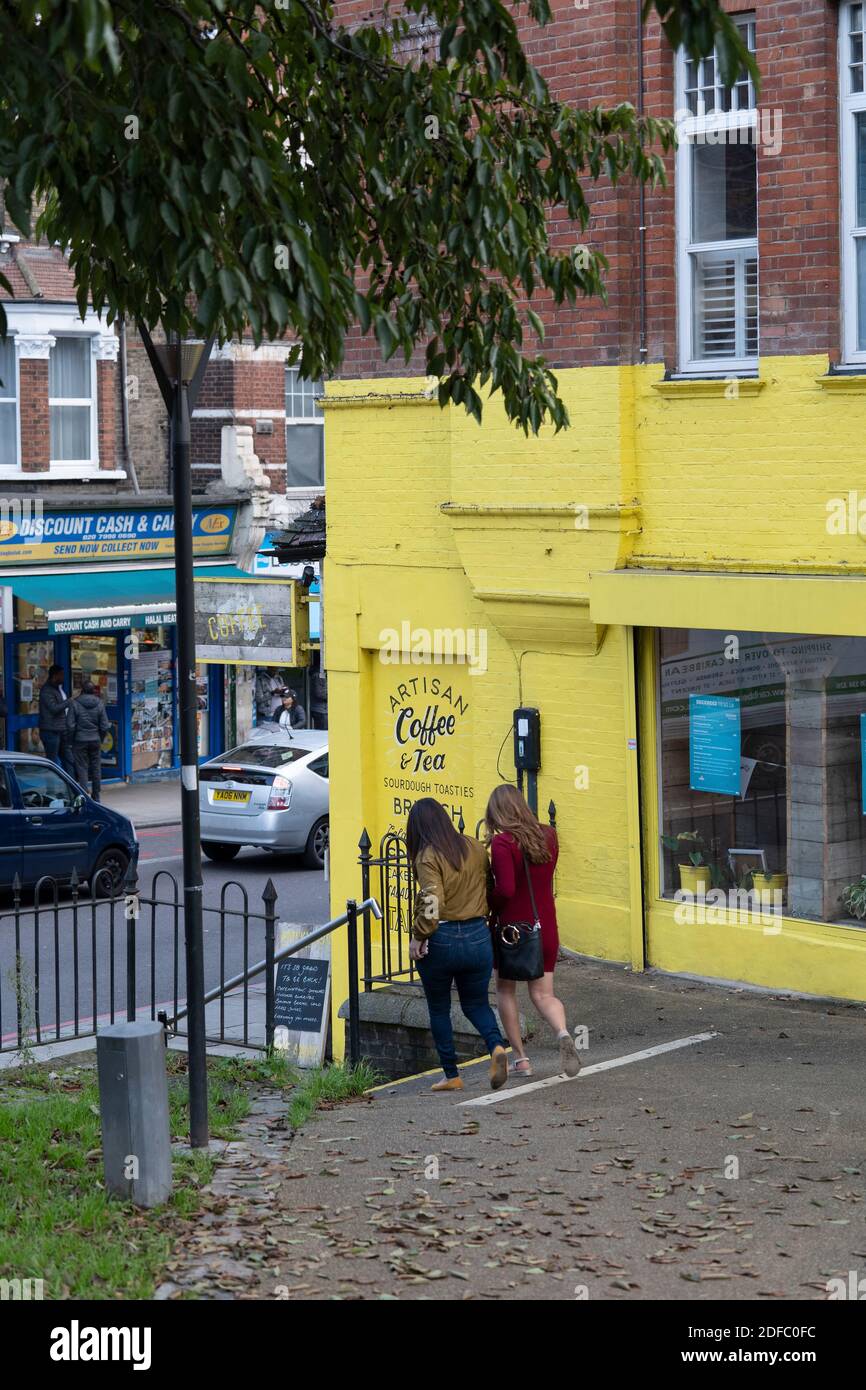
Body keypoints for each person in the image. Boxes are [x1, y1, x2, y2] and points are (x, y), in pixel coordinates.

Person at [407, 797, 508, 1093]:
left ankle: (451, 1075)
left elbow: (431, 898)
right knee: (476, 1003)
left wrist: (420, 935)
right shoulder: (475, 847)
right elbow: (490, 887)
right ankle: (496, 1047)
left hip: (442, 939)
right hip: (478, 935)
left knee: (439, 1009)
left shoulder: (428, 855)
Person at [486, 783, 581, 1079]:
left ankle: (521, 1060)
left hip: (513, 931)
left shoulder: (503, 844)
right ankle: (564, 1033)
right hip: (545, 926)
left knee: (505, 990)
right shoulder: (548, 836)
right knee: (543, 994)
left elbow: (506, 889)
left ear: (497, 813)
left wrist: (488, 903)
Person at [67, 681, 109, 801]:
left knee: (82, 768)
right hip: (95, 739)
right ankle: (96, 796)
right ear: (93, 691)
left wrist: (71, 740)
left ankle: (85, 796)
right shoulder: (99, 703)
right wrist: (100, 738)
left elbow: (70, 725)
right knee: (96, 768)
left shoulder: (75, 703)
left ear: (82, 690)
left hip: (80, 740)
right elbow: (105, 726)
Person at [38, 664, 74, 774]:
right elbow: (54, 709)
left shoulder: (58, 689)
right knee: (52, 761)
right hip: (51, 731)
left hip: (61, 729)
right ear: (55, 675)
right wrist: (70, 700)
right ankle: (52, 788)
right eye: (61, 675)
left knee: (68, 759)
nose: (63, 677)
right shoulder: (47, 690)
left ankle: (71, 785)